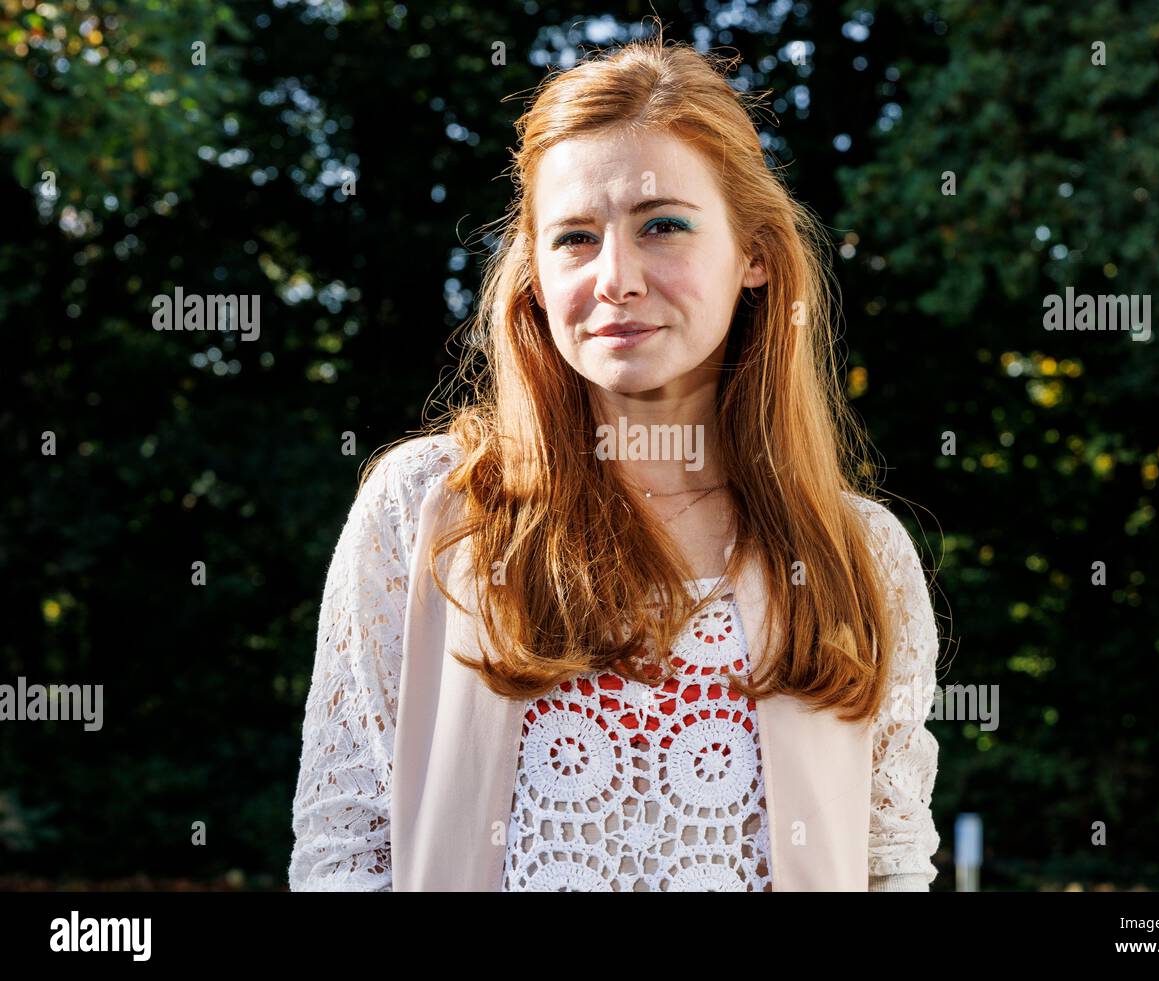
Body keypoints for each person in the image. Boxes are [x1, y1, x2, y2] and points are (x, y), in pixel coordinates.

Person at [289, 29, 941, 892]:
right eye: (574, 238)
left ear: (753, 254)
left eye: (662, 225)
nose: (616, 277)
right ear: (533, 274)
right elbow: (346, 852)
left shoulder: (857, 551)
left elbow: (890, 867)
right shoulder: (428, 510)